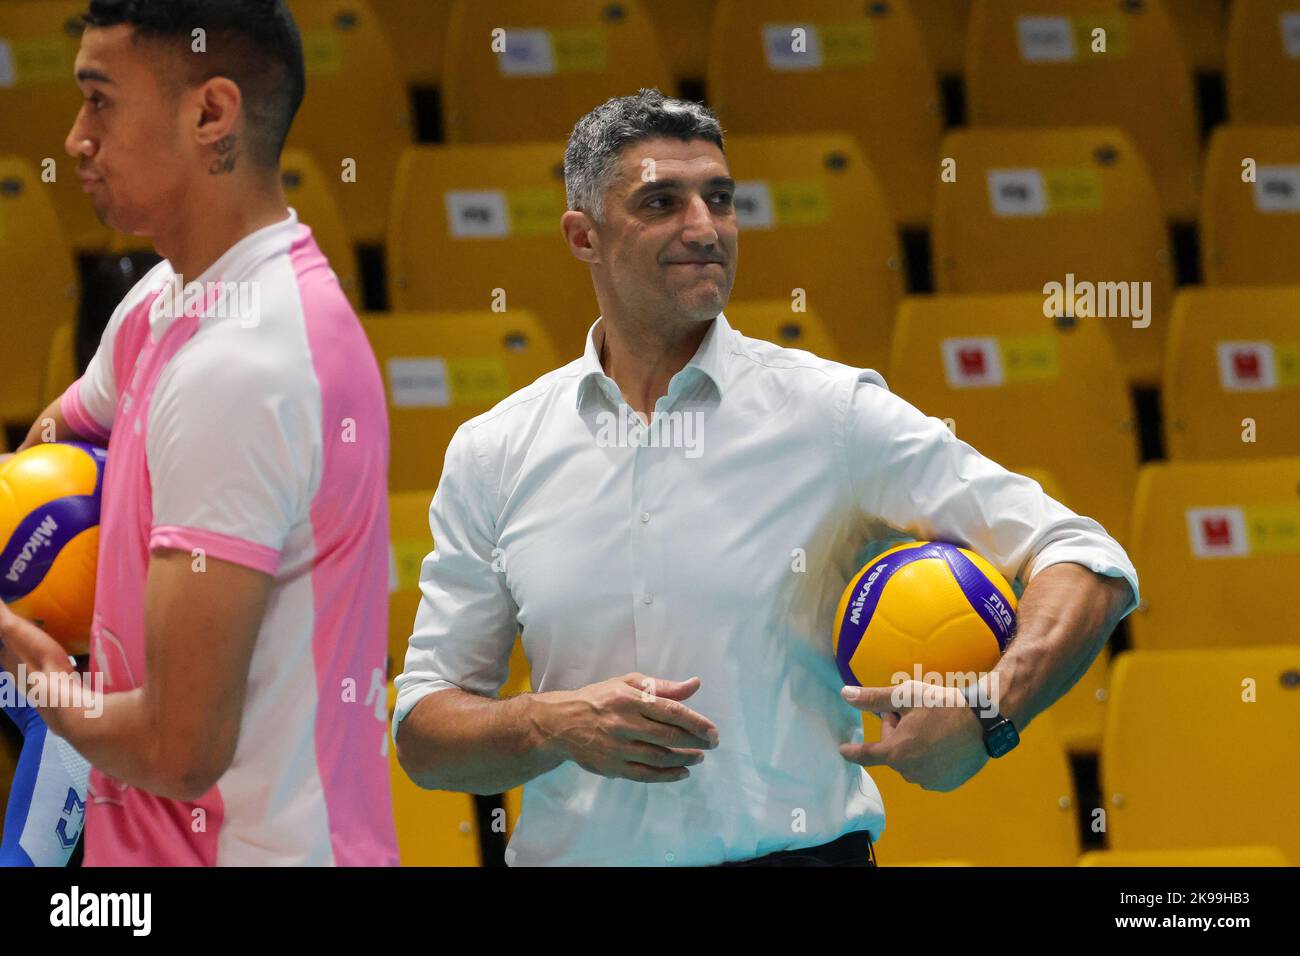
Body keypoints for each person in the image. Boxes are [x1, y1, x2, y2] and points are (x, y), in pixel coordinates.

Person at [392, 89, 1140, 867]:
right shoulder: (494, 450)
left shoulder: (834, 415)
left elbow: (1086, 556)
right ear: (584, 236)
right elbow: (424, 731)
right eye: (661, 202)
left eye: (720, 199)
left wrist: (991, 714)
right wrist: (550, 724)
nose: (704, 228)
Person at [0, 0, 397, 866]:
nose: (74, 139)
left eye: (99, 101)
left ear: (210, 114)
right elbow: (54, 436)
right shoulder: (162, 299)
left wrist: (25, 652)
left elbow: (180, 753)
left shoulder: (247, 370)